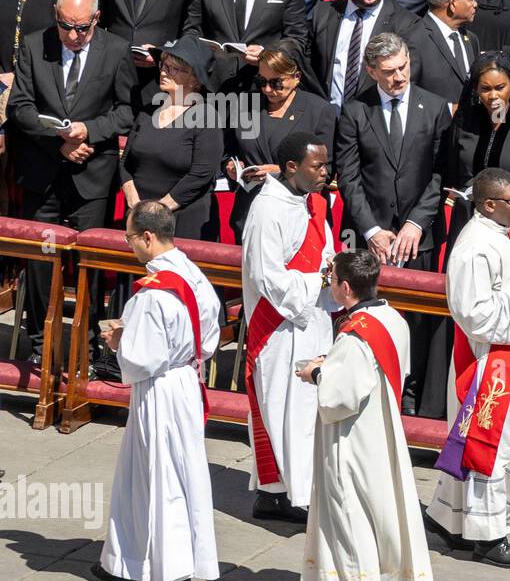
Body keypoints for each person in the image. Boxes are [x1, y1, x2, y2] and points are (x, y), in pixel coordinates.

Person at [295, 249, 439, 581]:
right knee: (375, 514)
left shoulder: (355, 332)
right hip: (381, 429)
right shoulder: (392, 318)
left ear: (344, 287)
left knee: (348, 514)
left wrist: (316, 373)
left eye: (332, 281)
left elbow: (340, 397)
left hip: (352, 438)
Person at [428, 167, 510, 567]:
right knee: (489, 445)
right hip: (487, 361)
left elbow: (504, 291)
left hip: (509, 355)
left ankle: (454, 520)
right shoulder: (474, 246)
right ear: (488, 205)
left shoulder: (500, 235)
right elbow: (473, 314)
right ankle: (487, 536)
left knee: (504, 438)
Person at [93, 201, 222, 581]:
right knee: (145, 476)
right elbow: (211, 332)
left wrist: (118, 342)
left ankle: (167, 577)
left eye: (131, 238)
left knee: (162, 479)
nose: (129, 246)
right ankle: (127, 561)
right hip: (185, 379)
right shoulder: (194, 275)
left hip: (160, 388)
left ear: (148, 237)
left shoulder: (154, 292)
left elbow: (143, 357)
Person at [8, 0, 134, 363]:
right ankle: (39, 345)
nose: (75, 35)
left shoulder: (115, 49)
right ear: (55, 16)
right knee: (41, 260)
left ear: (96, 19)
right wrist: (58, 143)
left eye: (83, 28)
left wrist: (88, 131)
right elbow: (21, 107)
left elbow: (126, 111)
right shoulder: (34, 45)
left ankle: (91, 345)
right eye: (66, 27)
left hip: (91, 174)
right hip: (43, 173)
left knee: (88, 263)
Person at [335, 31, 453, 416]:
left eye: (403, 67)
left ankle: (414, 400)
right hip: (370, 240)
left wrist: (417, 223)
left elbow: (440, 174)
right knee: (370, 318)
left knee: (417, 321)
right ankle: (374, 393)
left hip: (418, 237)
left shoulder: (434, 108)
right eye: (388, 72)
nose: (399, 77)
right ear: (371, 71)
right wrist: (371, 229)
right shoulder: (356, 111)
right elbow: (348, 177)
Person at [241, 131, 339, 522]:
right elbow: (266, 276)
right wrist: (316, 280)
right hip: (279, 325)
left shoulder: (312, 202)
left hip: (311, 318)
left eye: (326, 164)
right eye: (318, 166)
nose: (325, 173)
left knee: (302, 408)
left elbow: (325, 248)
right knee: (285, 408)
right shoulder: (266, 210)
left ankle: (275, 494)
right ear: (292, 167)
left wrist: (331, 269)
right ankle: (295, 495)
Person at [227, 41, 336, 242]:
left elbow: (325, 172)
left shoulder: (320, 111)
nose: (268, 89)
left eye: (276, 83)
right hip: (249, 215)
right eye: (262, 81)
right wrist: (231, 167)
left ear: (296, 78)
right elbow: (229, 149)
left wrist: (278, 172)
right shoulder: (245, 104)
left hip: (298, 218)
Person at [445, 53, 510, 267]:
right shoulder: (464, 122)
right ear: (475, 89)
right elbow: (450, 169)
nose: (493, 96)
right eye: (485, 89)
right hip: (468, 221)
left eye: (500, 87)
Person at [120, 36, 221, 241]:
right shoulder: (148, 111)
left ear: (195, 79)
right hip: (138, 218)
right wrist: (133, 201)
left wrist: (158, 210)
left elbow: (201, 174)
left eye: (174, 68)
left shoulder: (207, 117)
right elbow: (125, 161)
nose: (164, 72)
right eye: (163, 65)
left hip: (182, 222)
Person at [307, 0, 425, 108]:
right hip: (326, 119)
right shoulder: (323, 14)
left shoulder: (406, 24)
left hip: (374, 119)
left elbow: (409, 78)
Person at [410, 0, 480, 104]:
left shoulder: (472, 40)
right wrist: (446, 110)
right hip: (434, 125)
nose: (475, 4)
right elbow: (407, 94)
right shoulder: (414, 40)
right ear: (453, 3)